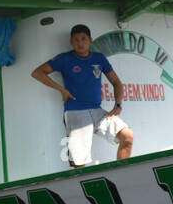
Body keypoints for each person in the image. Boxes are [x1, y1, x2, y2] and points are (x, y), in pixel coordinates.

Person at [31, 24, 135, 167]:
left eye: (83, 39)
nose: (80, 43)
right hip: (75, 111)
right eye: (76, 40)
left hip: (97, 111)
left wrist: (118, 105)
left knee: (127, 136)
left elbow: (117, 82)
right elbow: (37, 73)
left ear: (90, 40)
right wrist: (62, 90)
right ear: (71, 42)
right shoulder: (64, 58)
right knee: (79, 162)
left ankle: (122, 175)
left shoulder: (99, 58)